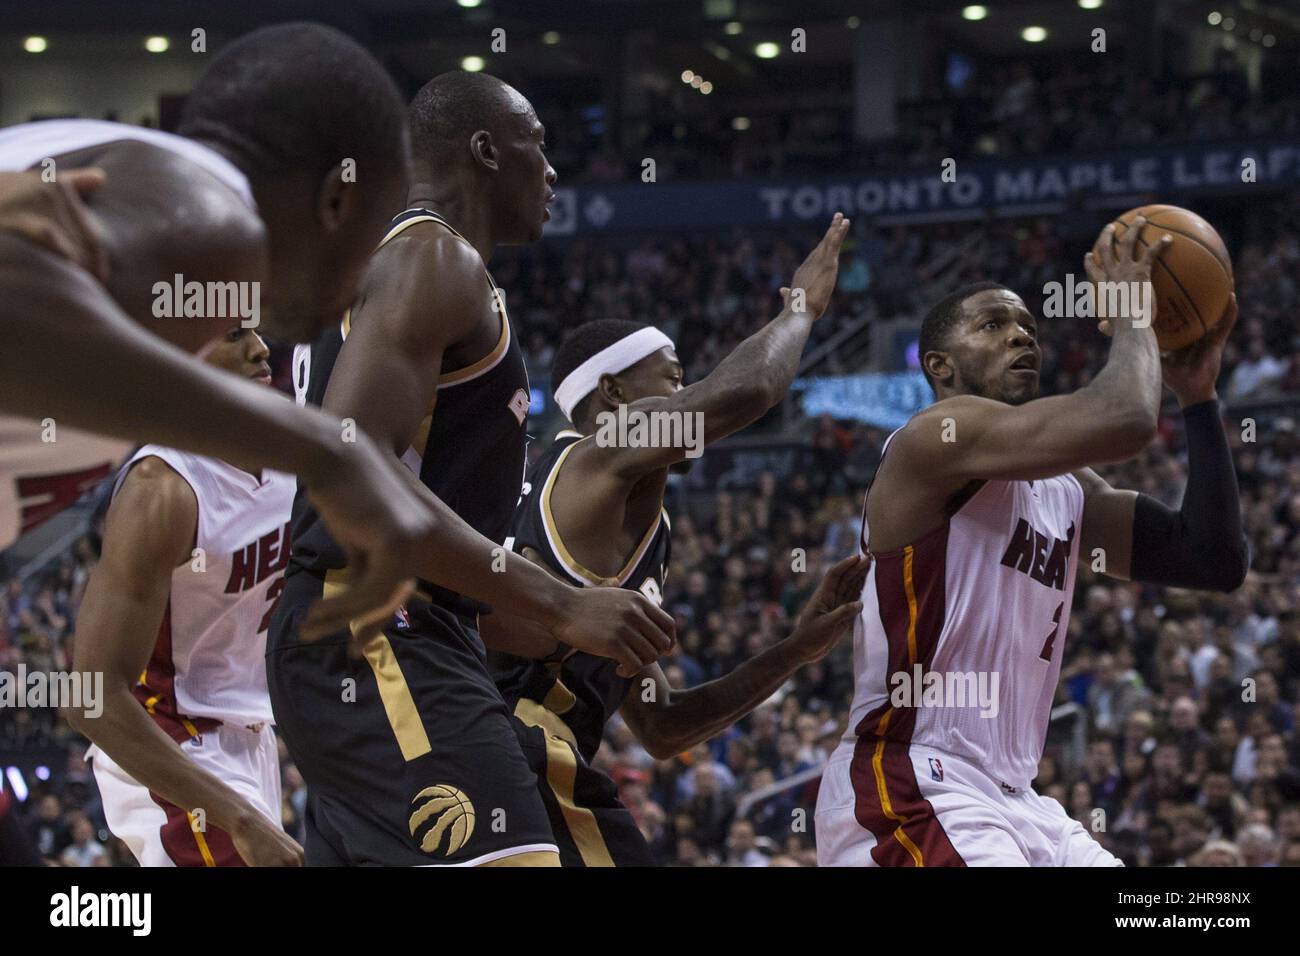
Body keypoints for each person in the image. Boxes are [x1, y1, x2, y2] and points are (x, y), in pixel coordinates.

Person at [269, 71, 674, 867]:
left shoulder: (415, 264)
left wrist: (518, 612)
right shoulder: (432, 258)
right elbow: (349, 467)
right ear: (487, 149)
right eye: (540, 148)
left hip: (399, 634)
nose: (553, 172)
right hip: (377, 630)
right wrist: (560, 601)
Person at [816, 217, 1248, 866]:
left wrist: (1199, 397)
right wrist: (1136, 318)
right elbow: (1127, 418)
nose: (1021, 335)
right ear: (940, 365)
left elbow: (1211, 559)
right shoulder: (934, 438)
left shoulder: (1067, 487)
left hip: (1019, 801)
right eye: (992, 325)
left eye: (1027, 328)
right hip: (913, 778)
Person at [0, 23, 427, 642]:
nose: (366, 279)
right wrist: (322, 450)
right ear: (337, 200)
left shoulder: (154, 200)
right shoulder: (215, 221)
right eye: (376, 237)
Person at [489, 217, 872, 866]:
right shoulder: (595, 452)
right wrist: (801, 308)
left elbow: (663, 727)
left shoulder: (627, 520)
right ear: (613, 395)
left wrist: (793, 651)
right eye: (672, 379)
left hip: (510, 755)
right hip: (513, 750)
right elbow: (745, 390)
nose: (683, 397)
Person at [71, 327, 302, 867]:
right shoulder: (163, 489)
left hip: (249, 734)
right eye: (233, 334)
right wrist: (238, 817)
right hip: (169, 738)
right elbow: (88, 693)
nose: (260, 347)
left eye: (256, 326)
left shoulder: (292, 447)